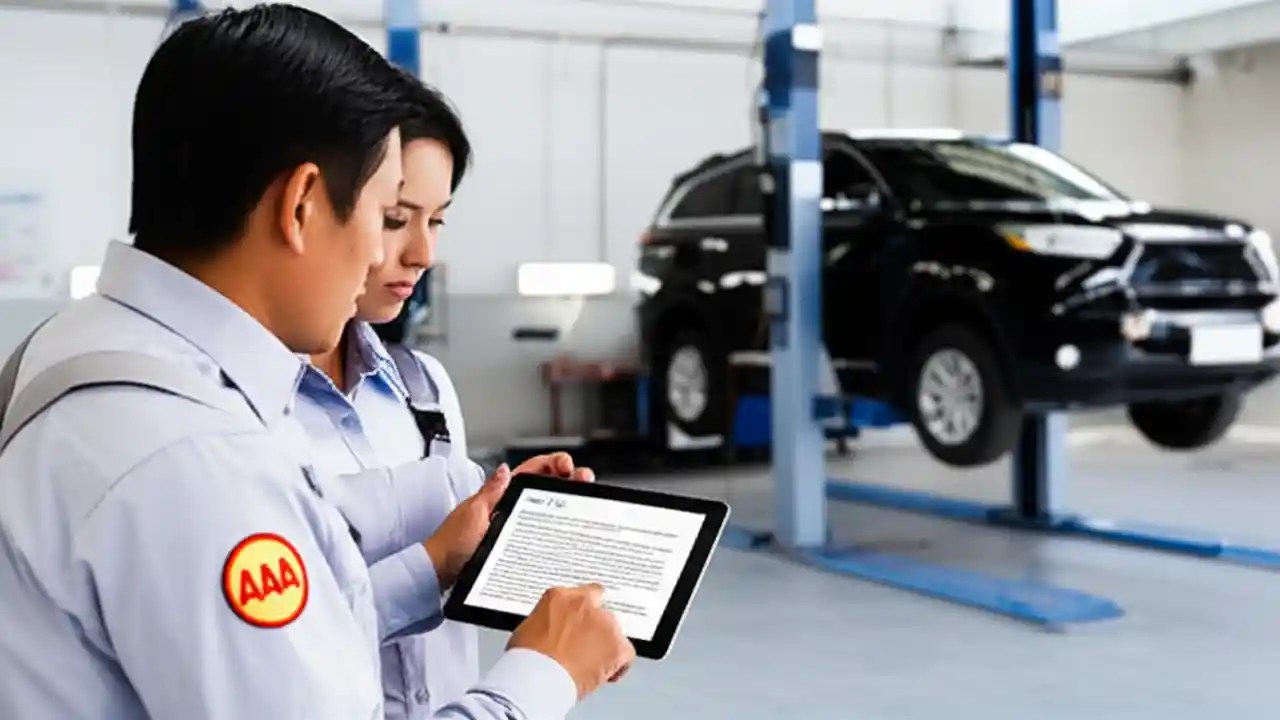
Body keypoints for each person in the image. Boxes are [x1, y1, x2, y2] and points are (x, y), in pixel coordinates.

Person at [0, 5, 632, 719]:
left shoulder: (69, 351)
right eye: (383, 214)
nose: (384, 254)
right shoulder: (201, 455)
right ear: (300, 204)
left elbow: (266, 657)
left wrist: (429, 568)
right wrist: (543, 674)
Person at [294, 71, 595, 717]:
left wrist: (505, 521)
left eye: (438, 221)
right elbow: (279, 644)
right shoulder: (237, 413)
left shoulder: (422, 388)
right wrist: (429, 565)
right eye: (396, 219)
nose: (422, 252)